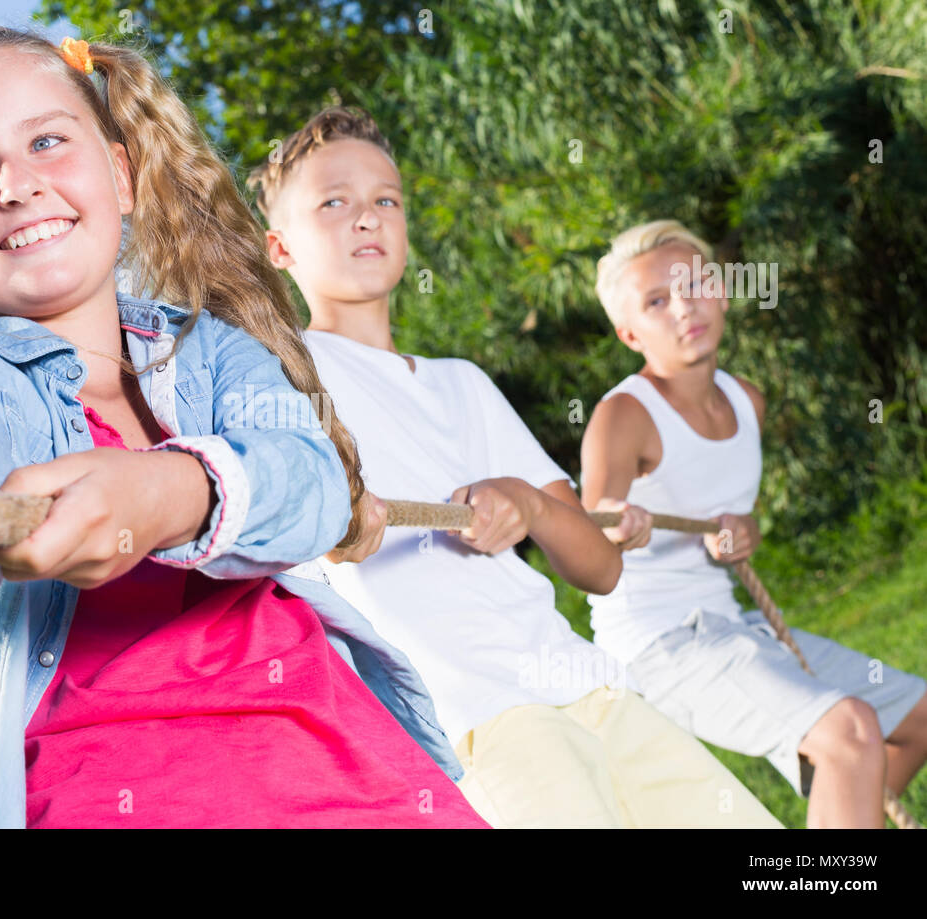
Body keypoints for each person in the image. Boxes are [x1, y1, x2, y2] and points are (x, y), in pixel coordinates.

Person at [0, 26, 488, 829]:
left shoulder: (212, 352)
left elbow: (312, 486)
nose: (15, 185)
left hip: (367, 779)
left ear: (121, 175)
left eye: (47, 141)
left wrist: (173, 490)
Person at [247, 106, 782, 827]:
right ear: (279, 247)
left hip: (592, 686)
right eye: (333, 202)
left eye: (386, 200)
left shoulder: (462, 382)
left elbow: (600, 567)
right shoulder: (285, 377)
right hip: (475, 718)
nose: (367, 217)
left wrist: (529, 507)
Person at [581, 218, 927, 828]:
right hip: (659, 643)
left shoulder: (747, 400)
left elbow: (738, 523)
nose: (684, 307)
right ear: (629, 332)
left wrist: (744, 531)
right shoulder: (625, 414)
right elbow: (593, 521)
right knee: (850, 731)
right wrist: (616, 523)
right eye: (657, 301)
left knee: (915, 718)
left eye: (695, 284)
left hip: (729, 624)